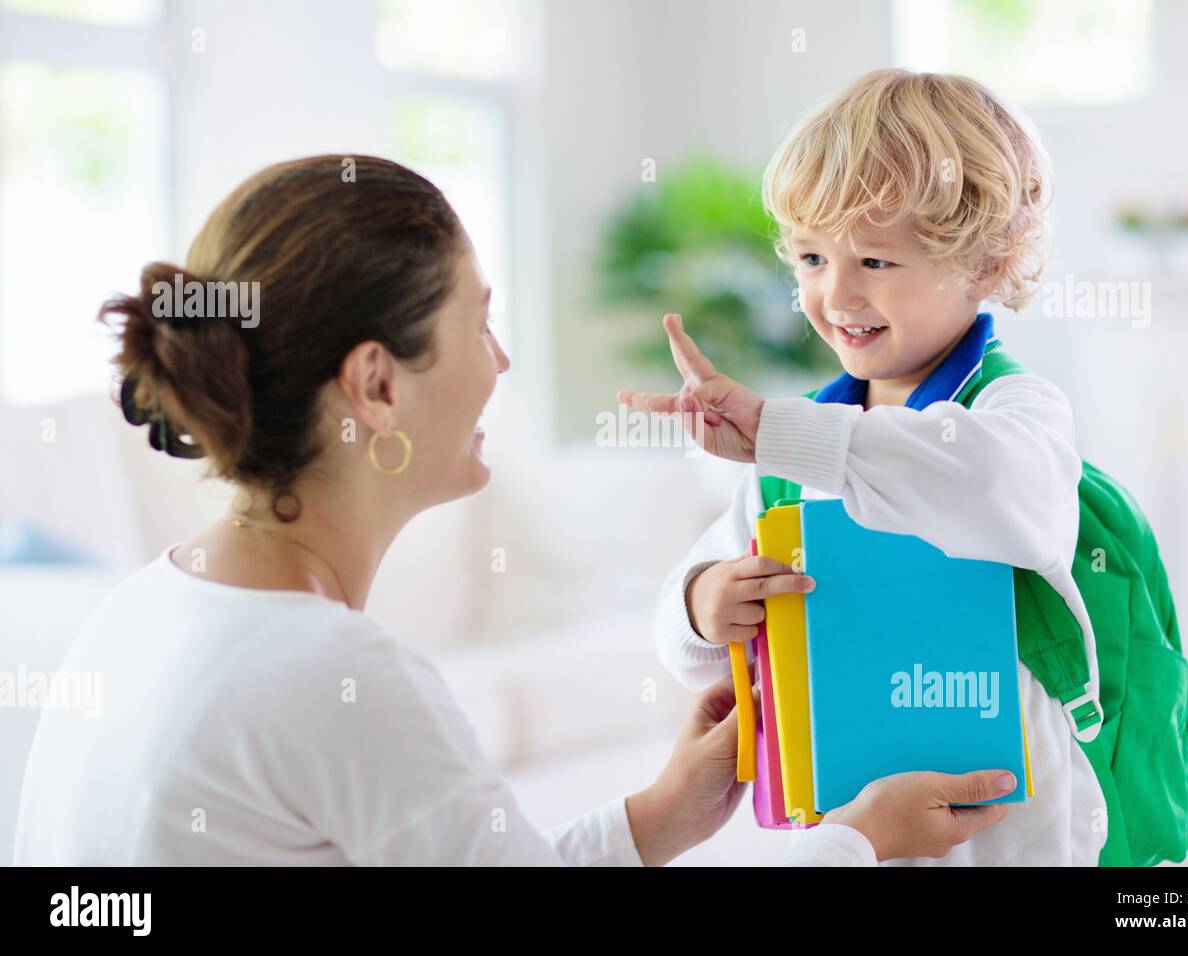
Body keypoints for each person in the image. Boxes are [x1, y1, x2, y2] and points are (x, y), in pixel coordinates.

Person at [14, 155, 1014, 866]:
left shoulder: (150, 609)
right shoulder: (331, 671)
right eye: (478, 323)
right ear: (376, 383)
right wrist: (858, 839)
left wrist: (660, 813)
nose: (501, 361)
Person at [623, 69, 1109, 865]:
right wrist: (702, 601)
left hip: (1005, 827)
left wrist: (790, 434)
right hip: (850, 821)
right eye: (812, 257)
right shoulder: (787, 453)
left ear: (988, 263)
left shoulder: (1017, 410)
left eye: (876, 261)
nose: (834, 292)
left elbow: (981, 482)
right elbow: (688, 652)